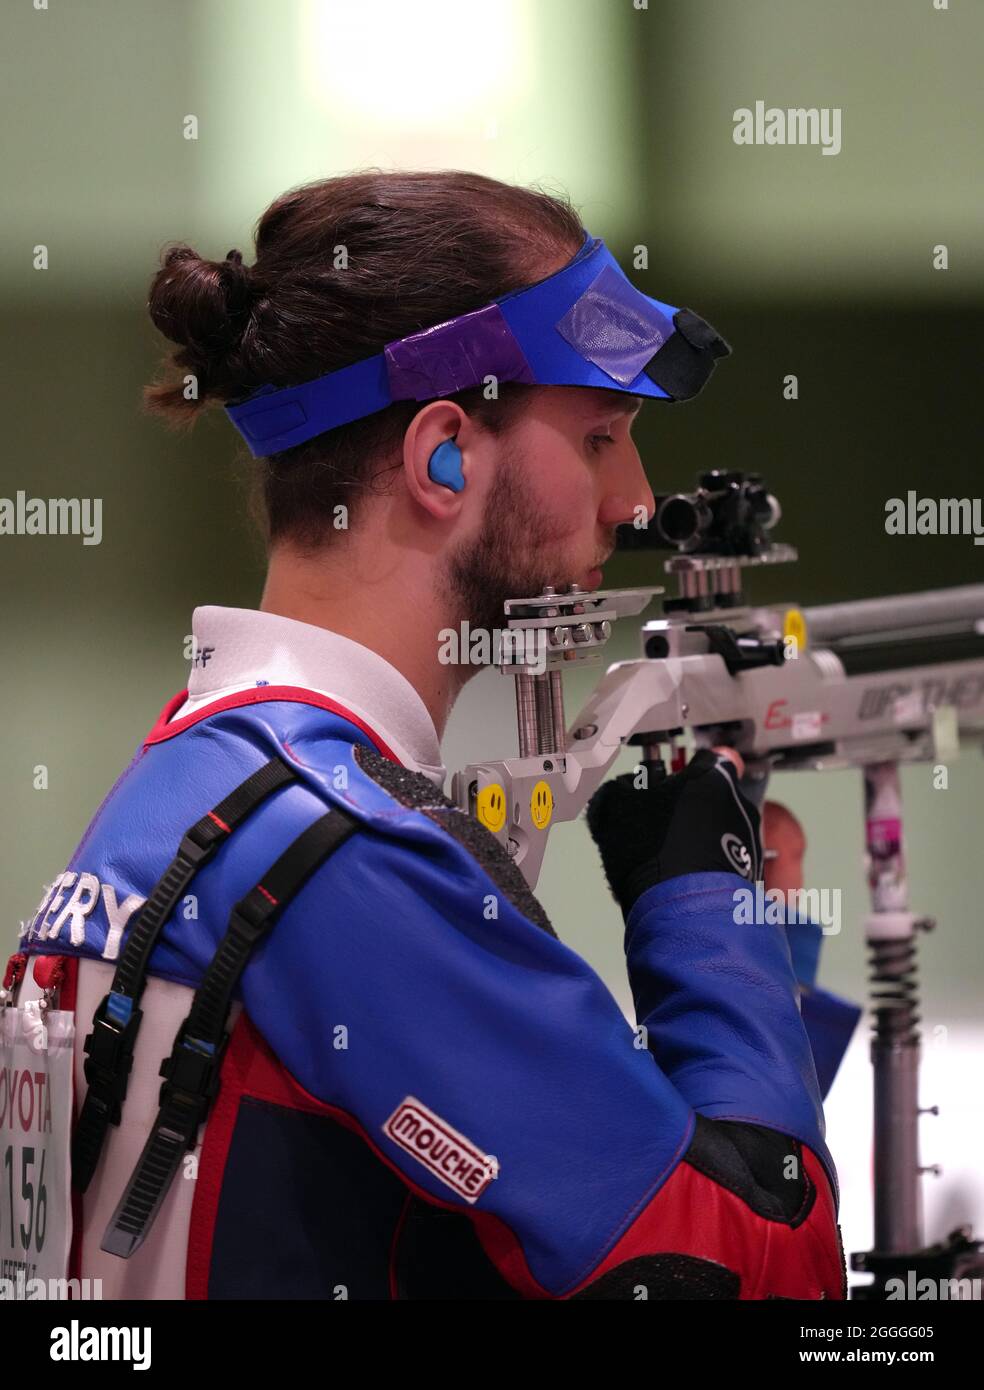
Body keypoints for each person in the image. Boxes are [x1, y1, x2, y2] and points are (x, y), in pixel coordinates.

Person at [10, 170, 847, 1299]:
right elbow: (759, 1268)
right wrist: (712, 908)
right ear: (443, 454)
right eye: (601, 437)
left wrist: (758, 944)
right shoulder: (351, 856)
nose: (638, 501)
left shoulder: (193, 775)